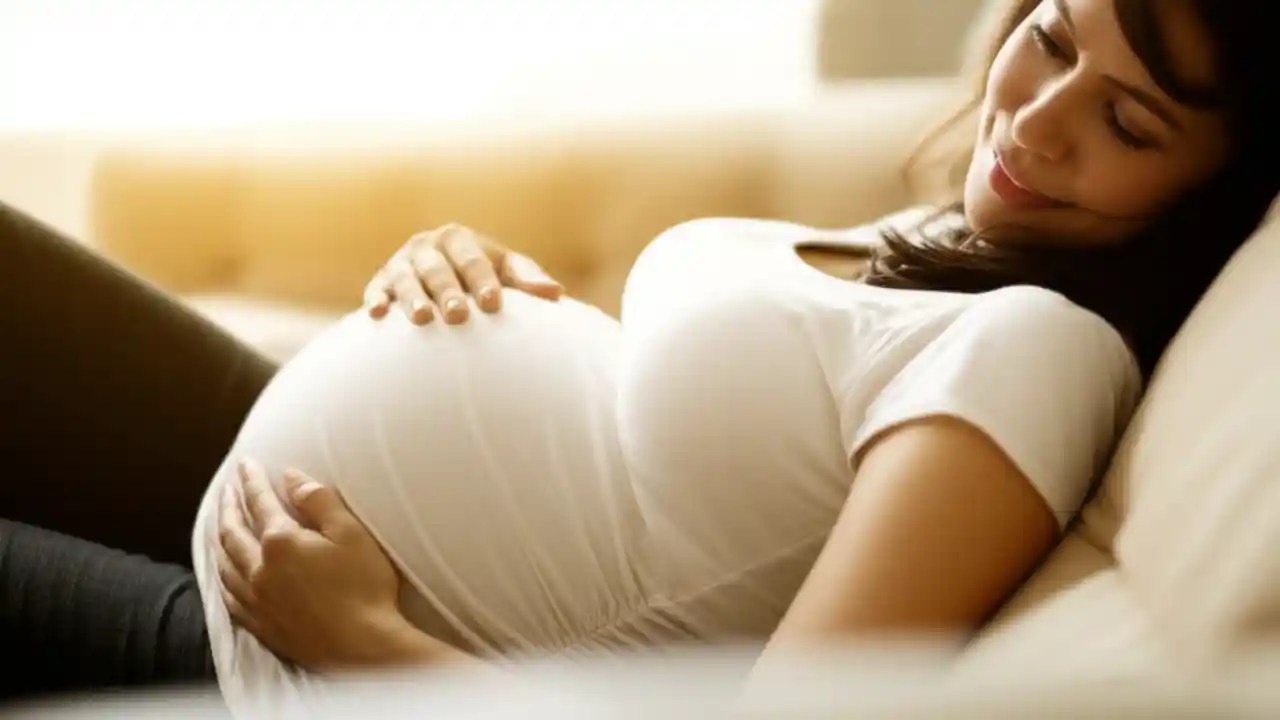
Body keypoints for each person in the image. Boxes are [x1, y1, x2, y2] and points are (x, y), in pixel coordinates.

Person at [1, 0, 1275, 710]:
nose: (1037, 122)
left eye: (1124, 120)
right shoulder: (952, 241)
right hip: (285, 514)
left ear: (1203, 201)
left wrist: (363, 647)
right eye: (1051, 37)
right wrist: (454, 260)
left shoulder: (1039, 355)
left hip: (283, 652)